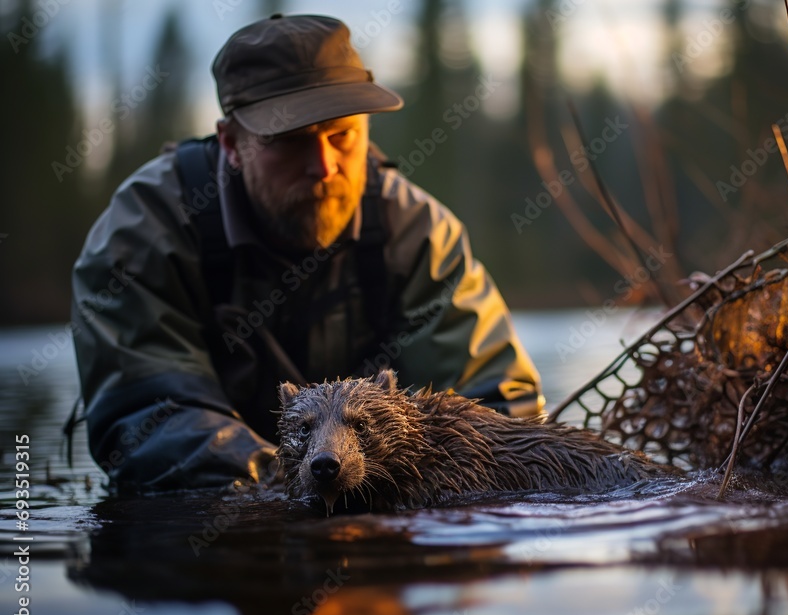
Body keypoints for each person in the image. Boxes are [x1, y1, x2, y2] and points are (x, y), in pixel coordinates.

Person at [71, 14, 544, 494]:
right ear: (232, 144)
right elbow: (147, 419)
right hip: (232, 518)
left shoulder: (419, 234)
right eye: (291, 141)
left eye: (341, 135)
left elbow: (500, 415)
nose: (323, 166)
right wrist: (294, 484)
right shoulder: (144, 232)